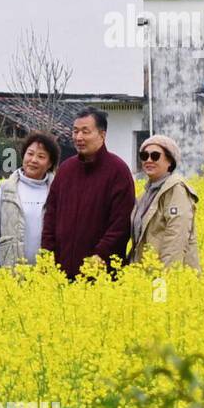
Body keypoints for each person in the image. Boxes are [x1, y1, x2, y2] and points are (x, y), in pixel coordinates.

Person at [40, 108, 134, 279]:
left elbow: (121, 224)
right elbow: (50, 215)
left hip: (101, 274)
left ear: (102, 135)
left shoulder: (118, 171)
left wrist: (101, 254)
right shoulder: (66, 170)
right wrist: (47, 252)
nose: (78, 137)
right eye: (75, 131)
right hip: (62, 272)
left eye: (85, 131)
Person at [0, 131, 59, 273]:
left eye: (41, 156)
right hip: (10, 273)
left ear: (50, 163)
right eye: (30, 154)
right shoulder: (6, 189)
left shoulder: (57, 191)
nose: (33, 160)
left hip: (46, 275)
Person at [126, 134, 200, 271]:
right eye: (144, 156)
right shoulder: (145, 195)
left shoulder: (176, 190)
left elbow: (176, 238)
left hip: (167, 276)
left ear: (170, 161)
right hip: (145, 274)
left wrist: (165, 280)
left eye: (155, 156)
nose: (148, 160)